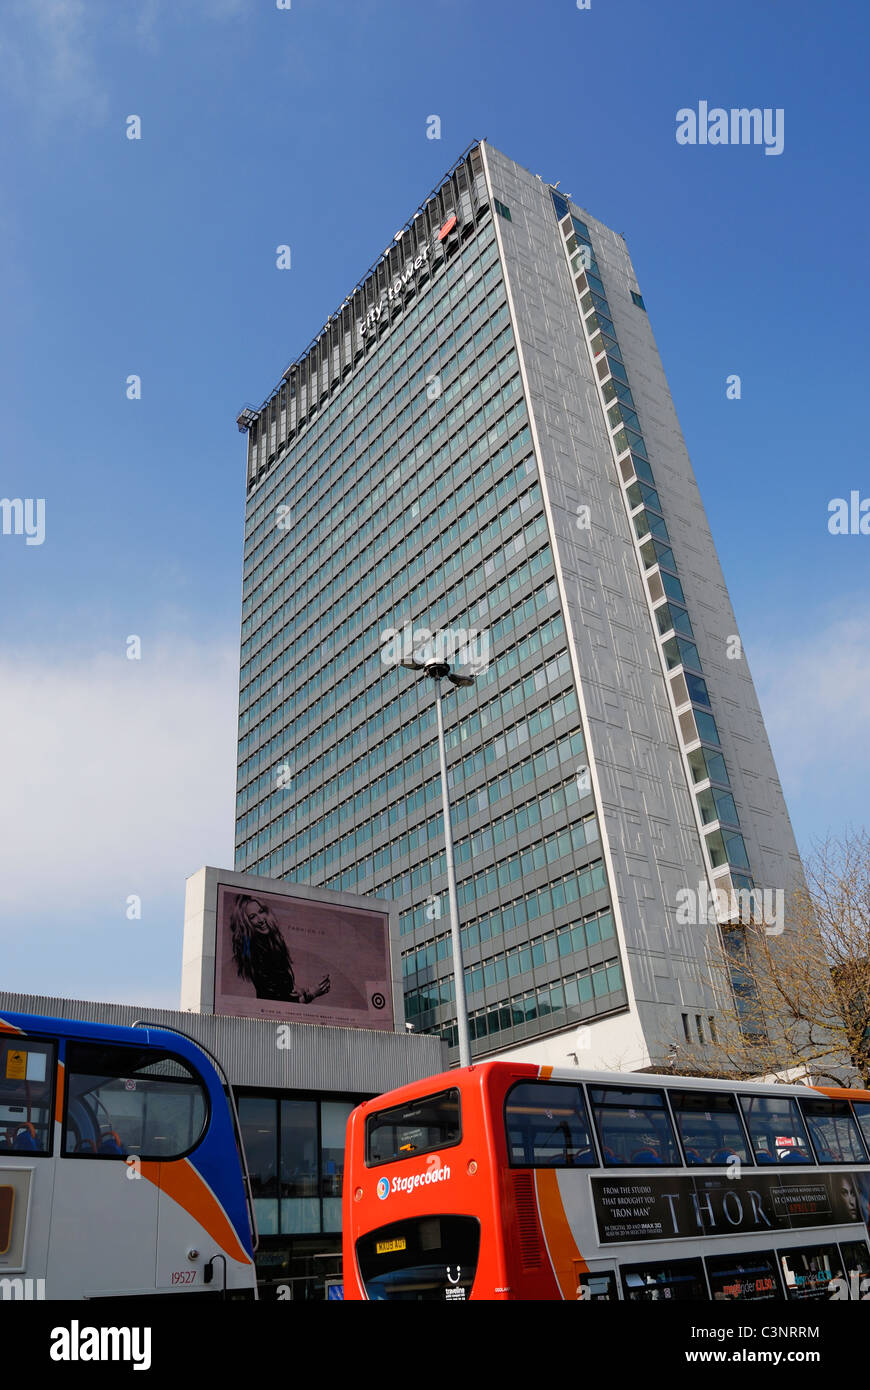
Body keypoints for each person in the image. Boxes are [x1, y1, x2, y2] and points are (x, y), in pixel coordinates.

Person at [230, 896, 330, 1003]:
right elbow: (276, 1000)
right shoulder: (255, 953)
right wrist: (312, 993)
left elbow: (281, 987)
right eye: (253, 916)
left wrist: (297, 989)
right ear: (245, 923)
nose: (261, 919)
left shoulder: (270, 942)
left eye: (261, 911)